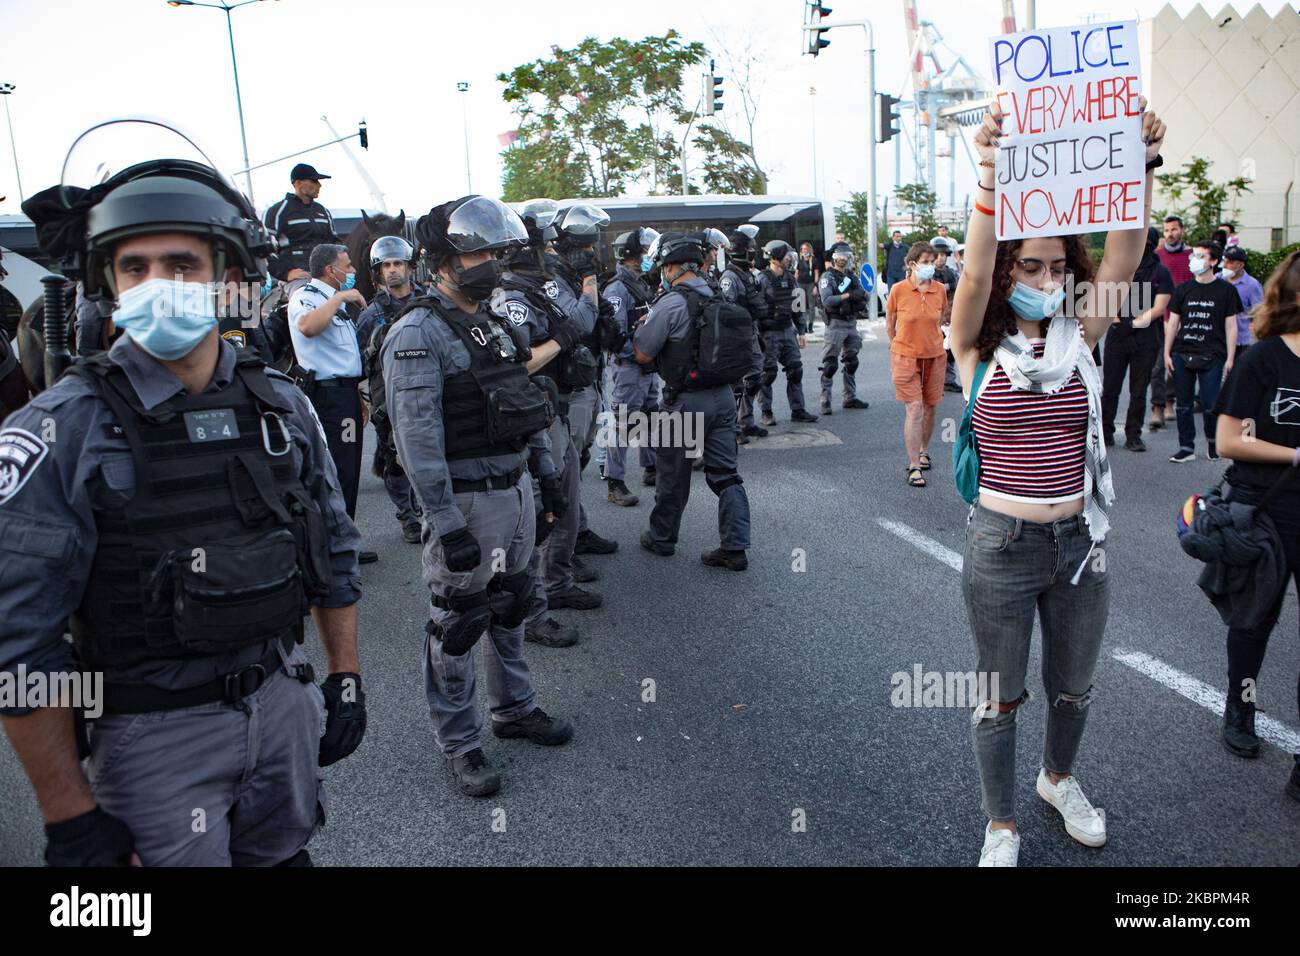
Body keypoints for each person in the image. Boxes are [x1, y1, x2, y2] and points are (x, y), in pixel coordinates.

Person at [4, 152, 364, 866]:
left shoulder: (280, 405)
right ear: (107, 281)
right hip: (151, 737)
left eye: (180, 264)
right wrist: (70, 818)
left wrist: (344, 674)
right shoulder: (59, 428)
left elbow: (334, 550)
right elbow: (17, 641)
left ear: (229, 278)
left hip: (280, 702)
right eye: (134, 269)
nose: (157, 285)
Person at [949, 99, 1166, 866]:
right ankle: (1000, 825)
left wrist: (1136, 166)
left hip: (1080, 542)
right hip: (1001, 543)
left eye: (1055, 267)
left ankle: (1059, 780)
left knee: (1074, 687)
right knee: (1001, 697)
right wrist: (987, 172)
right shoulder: (976, 347)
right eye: (1028, 266)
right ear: (1010, 273)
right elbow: (973, 268)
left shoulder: (1082, 338)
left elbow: (1125, 257)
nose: (1044, 278)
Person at [381, 195, 574, 797]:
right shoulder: (417, 333)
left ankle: (514, 709)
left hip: (514, 489)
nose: (489, 262)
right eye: (476, 252)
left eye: (495, 251)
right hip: (464, 501)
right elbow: (417, 440)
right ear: (441, 261)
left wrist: (545, 481)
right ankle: (460, 744)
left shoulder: (494, 324)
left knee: (512, 605)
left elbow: (528, 407)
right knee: (458, 623)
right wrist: (445, 521)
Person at [1211, 250, 1300, 801]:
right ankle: (1240, 705)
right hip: (1265, 511)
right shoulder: (1263, 360)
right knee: (1254, 623)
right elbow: (1228, 440)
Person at [494, 201, 601, 645]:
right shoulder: (512, 295)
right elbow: (525, 361)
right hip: (536, 410)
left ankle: (558, 584)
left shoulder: (548, 283)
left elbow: (585, 317)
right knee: (542, 513)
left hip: (561, 402)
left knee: (569, 499)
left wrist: (579, 315)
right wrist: (564, 336)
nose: (549, 251)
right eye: (540, 244)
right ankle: (535, 609)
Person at [634, 232, 751, 570]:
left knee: (673, 476)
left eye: (663, 267)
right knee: (727, 475)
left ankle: (662, 538)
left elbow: (643, 353)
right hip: (724, 399)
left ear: (670, 266)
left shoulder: (671, 303)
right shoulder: (718, 292)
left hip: (684, 403)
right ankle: (734, 548)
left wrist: (642, 326)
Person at [287, 243, 377, 564]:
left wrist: (358, 398)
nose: (352, 272)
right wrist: (340, 298)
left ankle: (344, 539)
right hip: (326, 397)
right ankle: (328, 545)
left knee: (349, 469)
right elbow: (308, 327)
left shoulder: (332, 301)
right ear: (330, 270)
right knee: (333, 470)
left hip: (345, 397)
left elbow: (344, 356)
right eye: (348, 266)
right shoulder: (307, 297)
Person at [548, 204, 621, 562]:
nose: (593, 255)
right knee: (565, 466)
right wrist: (589, 285)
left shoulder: (576, 276)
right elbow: (581, 322)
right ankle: (563, 547)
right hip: (569, 386)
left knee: (580, 460)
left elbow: (602, 324)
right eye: (587, 248)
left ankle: (578, 529)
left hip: (590, 378)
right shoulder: (554, 279)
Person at [357, 235, 427, 544]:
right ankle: (407, 517)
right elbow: (360, 361)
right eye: (386, 265)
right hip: (388, 393)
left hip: (428, 386)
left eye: (398, 263)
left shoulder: (431, 301)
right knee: (393, 457)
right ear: (378, 272)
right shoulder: (371, 316)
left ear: (410, 267)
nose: (393, 270)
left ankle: (432, 509)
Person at [1165, 239, 1241, 463]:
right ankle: (1186, 447)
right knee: (1183, 405)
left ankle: (1213, 443)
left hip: (1213, 354)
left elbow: (1231, 325)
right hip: (1182, 352)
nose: (1194, 260)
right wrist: (1167, 353)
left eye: (1200, 256)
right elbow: (1173, 323)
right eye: (1193, 256)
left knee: (1210, 404)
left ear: (1214, 261)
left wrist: (1230, 357)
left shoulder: (1226, 291)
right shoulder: (1183, 290)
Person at [601, 226, 660, 505]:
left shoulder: (642, 283)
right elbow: (614, 334)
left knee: (648, 416)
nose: (649, 256)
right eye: (645, 252)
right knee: (624, 424)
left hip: (646, 365)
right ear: (630, 256)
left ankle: (651, 468)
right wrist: (636, 354)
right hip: (629, 366)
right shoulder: (617, 289)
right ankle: (615, 483)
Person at [1101, 227, 1171, 453]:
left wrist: (1133, 323)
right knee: (1110, 387)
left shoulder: (1161, 273)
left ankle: (1133, 435)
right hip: (1117, 336)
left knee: (1139, 390)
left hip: (1145, 338)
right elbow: (1105, 299)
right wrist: (1117, 319)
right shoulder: (1121, 270)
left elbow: (1160, 307)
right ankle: (1105, 431)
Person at [886, 241, 947, 487]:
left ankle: (923, 450)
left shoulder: (940, 289)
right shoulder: (898, 290)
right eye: (925, 263)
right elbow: (890, 325)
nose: (930, 267)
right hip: (905, 356)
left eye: (932, 263)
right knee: (915, 408)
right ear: (912, 264)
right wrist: (901, 345)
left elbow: (941, 319)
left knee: (930, 406)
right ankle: (913, 467)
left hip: (934, 354)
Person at [757, 240, 818, 427]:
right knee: (768, 373)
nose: (789, 260)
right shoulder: (761, 279)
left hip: (787, 331)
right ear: (774, 257)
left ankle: (798, 410)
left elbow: (798, 307)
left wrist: (801, 331)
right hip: (768, 333)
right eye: (785, 256)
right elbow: (755, 309)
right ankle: (766, 412)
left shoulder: (791, 279)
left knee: (795, 369)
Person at [718, 226, 770, 444]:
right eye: (750, 249)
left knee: (755, 377)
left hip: (752, 332)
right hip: (737, 337)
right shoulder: (730, 277)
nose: (753, 252)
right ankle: (733, 427)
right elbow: (727, 310)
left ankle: (746, 422)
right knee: (737, 384)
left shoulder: (749, 273)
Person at [1150, 214, 1194, 429]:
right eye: (1166, 230)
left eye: (1174, 229)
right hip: (1161, 319)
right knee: (1158, 365)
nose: (1170, 234)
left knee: (1176, 364)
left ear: (1182, 230)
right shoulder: (1157, 256)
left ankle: (1170, 402)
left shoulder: (1192, 256)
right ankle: (1157, 406)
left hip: (1186, 319)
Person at [262, 164, 339, 282]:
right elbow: (264, 249)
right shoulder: (277, 211)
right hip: (297, 279)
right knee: (308, 296)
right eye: (314, 181)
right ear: (297, 183)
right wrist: (286, 273)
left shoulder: (323, 211)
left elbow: (334, 243)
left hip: (326, 276)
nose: (319, 185)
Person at [817, 247, 871, 414]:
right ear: (834, 258)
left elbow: (864, 295)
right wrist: (848, 296)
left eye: (846, 256)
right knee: (830, 365)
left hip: (851, 322)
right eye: (840, 255)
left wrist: (862, 295)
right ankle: (825, 401)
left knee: (852, 361)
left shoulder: (852, 276)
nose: (843, 259)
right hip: (835, 324)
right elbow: (827, 300)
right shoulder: (828, 277)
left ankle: (850, 397)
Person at [1222, 245, 1264, 363]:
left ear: (1240, 265)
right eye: (1224, 261)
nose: (1225, 265)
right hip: (1219, 340)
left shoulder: (1252, 285)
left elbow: (1259, 312)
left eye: (1229, 262)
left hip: (1241, 341)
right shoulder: (1218, 279)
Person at [932, 238, 962, 393]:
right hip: (932, 319)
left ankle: (949, 381)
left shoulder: (951, 272)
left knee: (949, 351)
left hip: (949, 317)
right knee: (934, 352)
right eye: (938, 255)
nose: (941, 258)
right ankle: (933, 383)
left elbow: (958, 292)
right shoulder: (928, 273)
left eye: (943, 255)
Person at [795, 241, 821, 329]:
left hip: (810, 284)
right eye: (802, 249)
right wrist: (795, 285)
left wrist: (815, 286)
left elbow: (816, 274)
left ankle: (810, 325)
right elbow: (796, 273)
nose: (804, 251)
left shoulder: (814, 260)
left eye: (805, 249)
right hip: (800, 283)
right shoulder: (799, 260)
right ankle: (804, 326)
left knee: (811, 306)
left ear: (809, 249)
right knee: (802, 306)